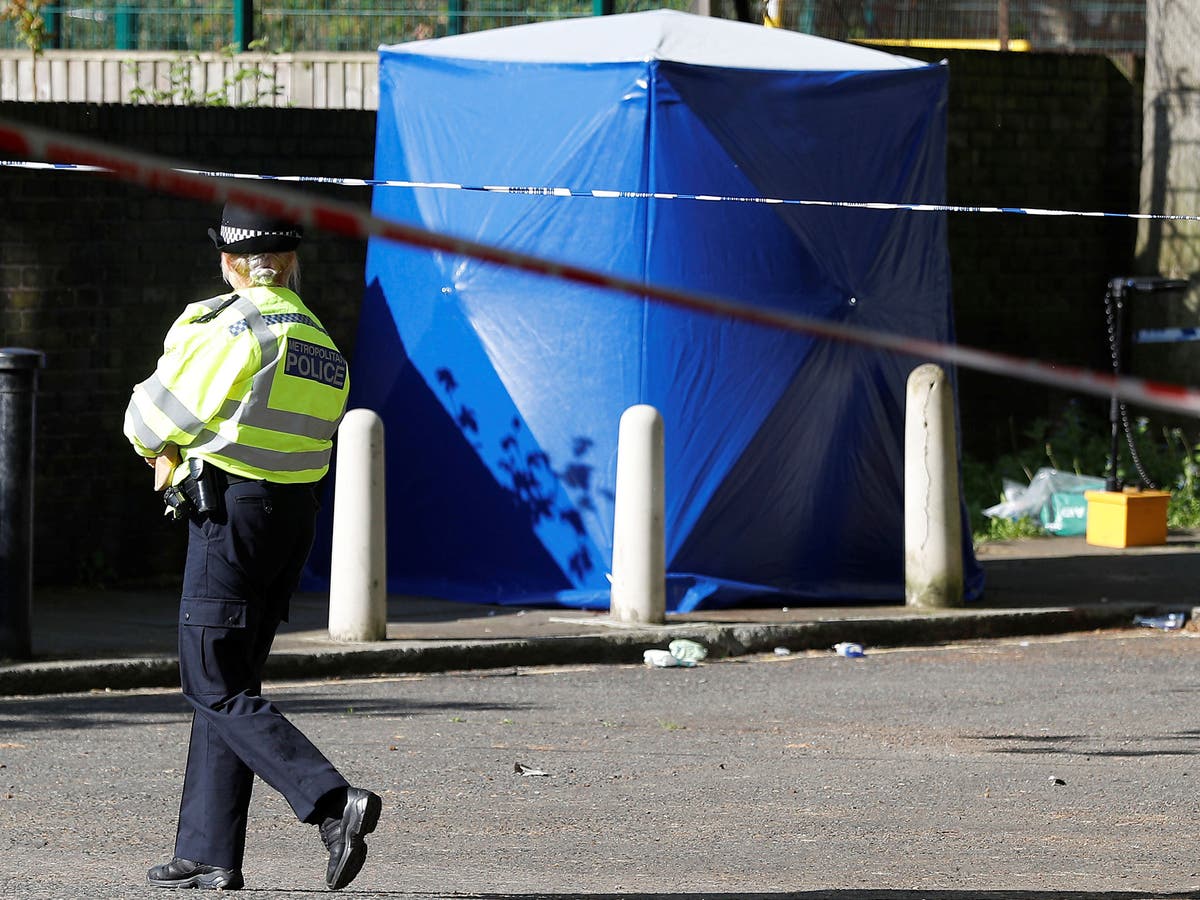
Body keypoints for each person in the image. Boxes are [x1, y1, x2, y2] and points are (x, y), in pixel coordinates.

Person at [123, 203, 381, 891]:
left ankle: (333, 803)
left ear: (230, 262)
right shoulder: (318, 338)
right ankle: (207, 851)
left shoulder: (237, 325)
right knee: (232, 682)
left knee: (209, 679)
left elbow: (150, 416)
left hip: (231, 517)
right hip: (290, 519)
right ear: (288, 263)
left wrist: (162, 444)